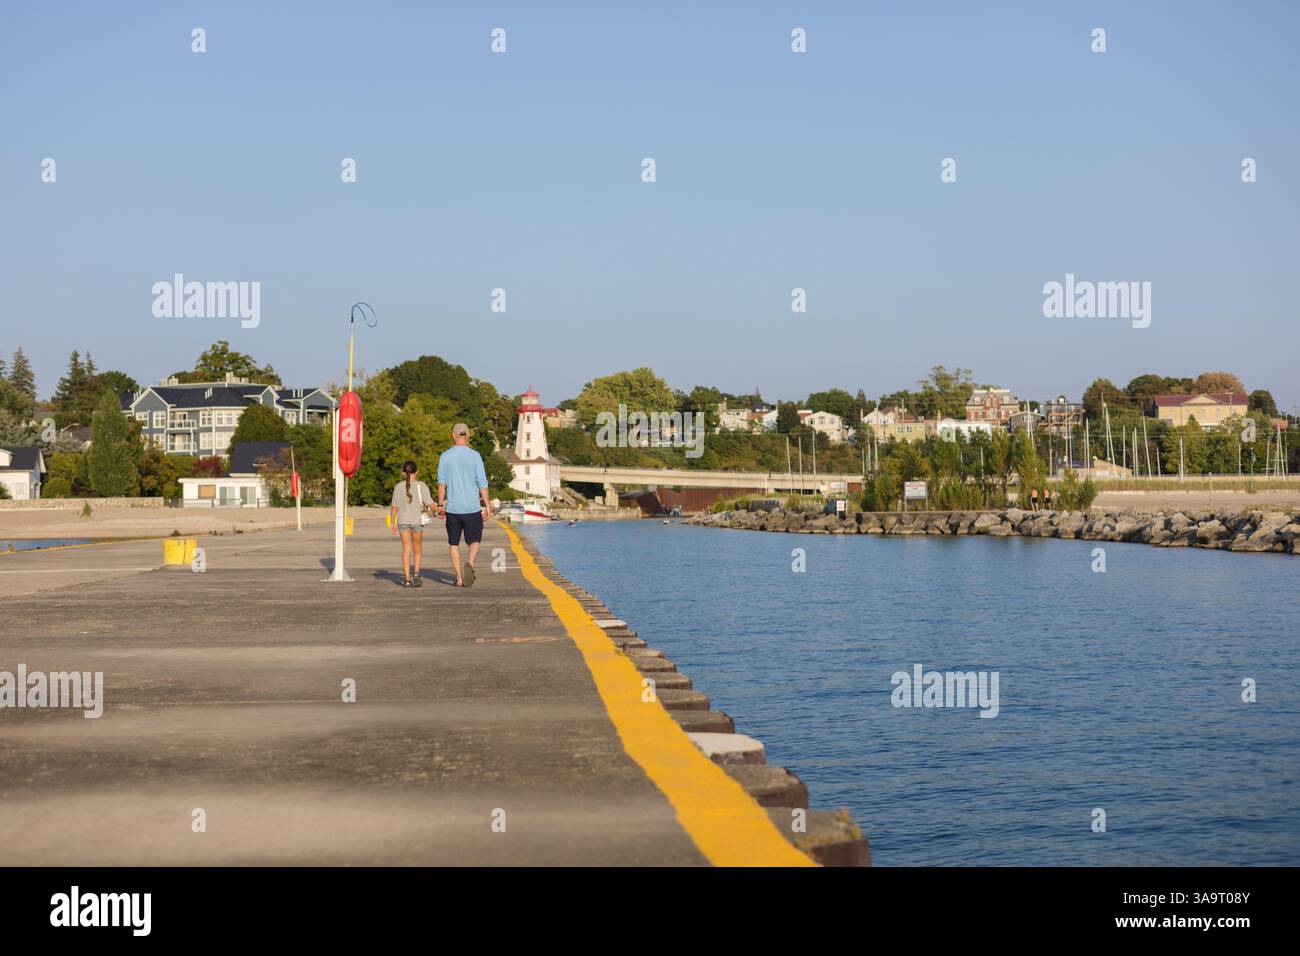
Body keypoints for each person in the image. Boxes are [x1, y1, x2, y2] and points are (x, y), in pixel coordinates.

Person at [437, 423, 491, 588]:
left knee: (453, 544)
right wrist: (487, 505)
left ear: (453, 435)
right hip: (472, 508)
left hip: (453, 508)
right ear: (467, 436)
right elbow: (482, 482)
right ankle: (470, 562)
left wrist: (440, 505)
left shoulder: (445, 456)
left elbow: (441, 483)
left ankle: (459, 578)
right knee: (474, 540)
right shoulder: (475, 456)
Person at [389, 460, 432, 587]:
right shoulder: (422, 486)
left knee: (406, 549)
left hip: (402, 521)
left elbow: (394, 507)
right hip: (417, 521)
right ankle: (417, 573)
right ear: (417, 471)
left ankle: (407, 579)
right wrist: (440, 510)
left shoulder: (398, 487)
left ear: (403, 473)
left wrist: (392, 522)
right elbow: (430, 503)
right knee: (417, 549)